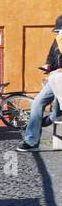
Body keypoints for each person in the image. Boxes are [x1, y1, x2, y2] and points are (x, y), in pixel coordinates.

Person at [17, 15, 62, 151]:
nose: (59, 33)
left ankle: (53, 117)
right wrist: (48, 65)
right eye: (58, 31)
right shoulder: (57, 41)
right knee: (37, 103)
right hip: (54, 79)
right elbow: (51, 58)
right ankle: (32, 141)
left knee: (58, 106)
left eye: (60, 30)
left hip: (59, 79)